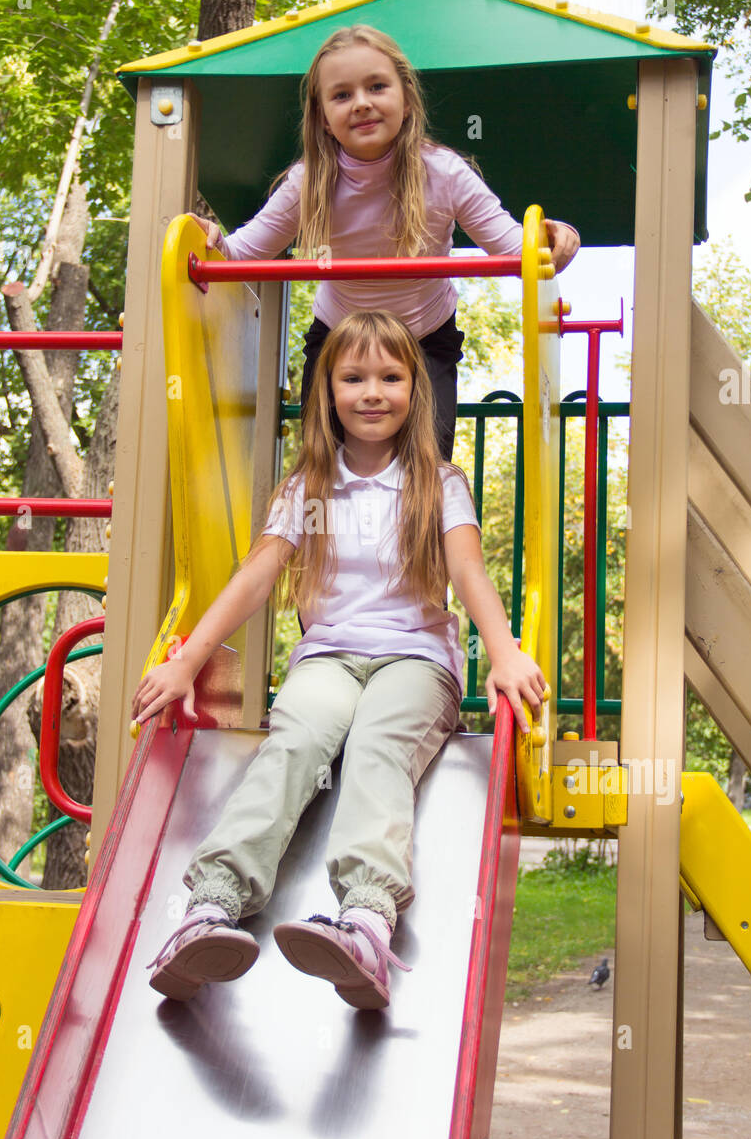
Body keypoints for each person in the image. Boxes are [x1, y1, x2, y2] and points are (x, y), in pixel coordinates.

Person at [132, 310, 547, 1011]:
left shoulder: (439, 483)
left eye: (390, 376)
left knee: (378, 746)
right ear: (329, 392)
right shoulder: (307, 487)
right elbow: (256, 577)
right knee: (297, 738)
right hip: (328, 656)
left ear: (416, 390)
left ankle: (365, 922)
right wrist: (185, 661)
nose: (372, 392)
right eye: (353, 377)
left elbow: (469, 571)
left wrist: (503, 652)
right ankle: (211, 908)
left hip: (415, 662)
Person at [189, 23, 580, 459]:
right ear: (322, 116)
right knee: (326, 464)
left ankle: (426, 524)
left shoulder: (443, 173)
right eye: (341, 95)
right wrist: (211, 242)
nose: (361, 104)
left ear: (407, 98)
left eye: (376, 86)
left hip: (424, 339)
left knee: (426, 465)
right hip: (340, 338)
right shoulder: (310, 182)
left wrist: (558, 237)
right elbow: (243, 254)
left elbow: (516, 248)